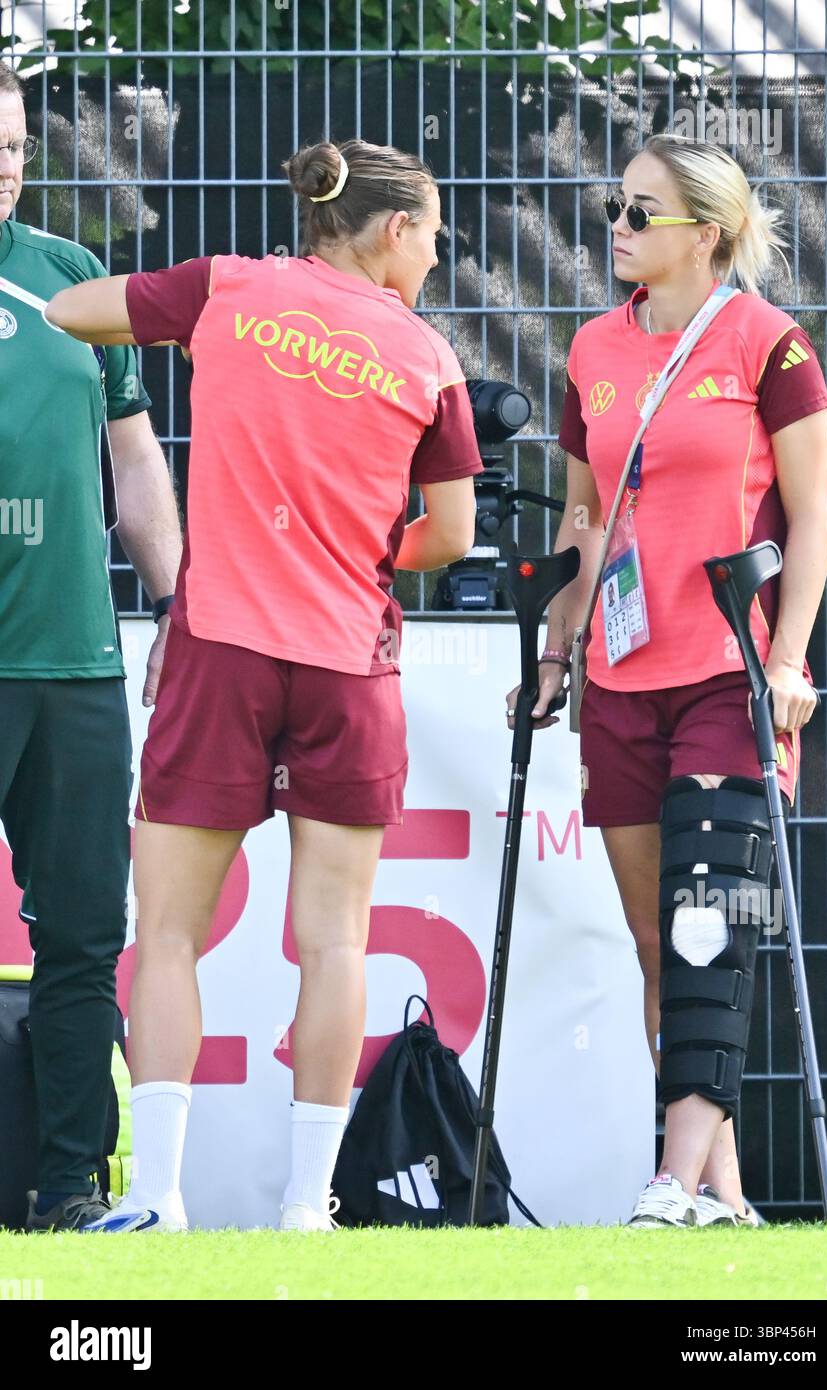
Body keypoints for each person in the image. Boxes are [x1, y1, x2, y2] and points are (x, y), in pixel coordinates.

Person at [46, 137, 484, 1232]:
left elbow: (73, 313)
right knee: (335, 939)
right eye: (432, 233)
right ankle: (305, 1208)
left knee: (171, 933)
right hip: (347, 660)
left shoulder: (225, 288)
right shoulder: (428, 358)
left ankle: (156, 1203)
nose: (435, 254)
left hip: (220, 647)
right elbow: (449, 538)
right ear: (392, 231)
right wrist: (362, 538)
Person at [507, 134, 827, 1228]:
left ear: (706, 232)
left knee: (712, 922)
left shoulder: (769, 345)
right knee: (661, 940)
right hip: (620, 676)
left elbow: (814, 522)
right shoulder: (592, 347)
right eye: (616, 206)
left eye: (641, 213)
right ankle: (721, 1198)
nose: (617, 228)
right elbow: (583, 517)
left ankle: (667, 1177)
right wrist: (556, 656)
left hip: (728, 677)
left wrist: (785, 660)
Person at [0, 61, 182, 1231]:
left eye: (14, 143)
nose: (5, 164)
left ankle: (68, 1188)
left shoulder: (71, 280)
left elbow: (133, 459)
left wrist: (180, 605)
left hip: (71, 665)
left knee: (80, 934)